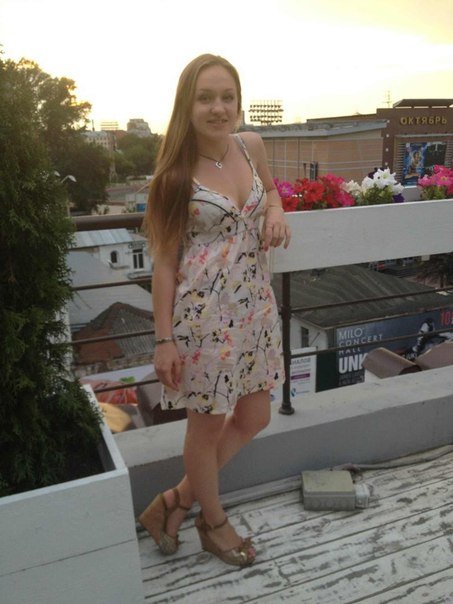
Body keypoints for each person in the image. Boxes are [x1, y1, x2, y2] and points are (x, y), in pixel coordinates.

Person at [139, 53, 291, 568]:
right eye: (206, 98)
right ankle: (213, 521)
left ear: (239, 102)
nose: (218, 107)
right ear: (187, 105)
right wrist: (164, 340)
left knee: (255, 415)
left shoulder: (251, 146)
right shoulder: (173, 177)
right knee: (205, 429)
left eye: (227, 97)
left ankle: (173, 501)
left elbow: (271, 190)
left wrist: (275, 211)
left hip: (254, 313)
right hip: (202, 322)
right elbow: (164, 264)